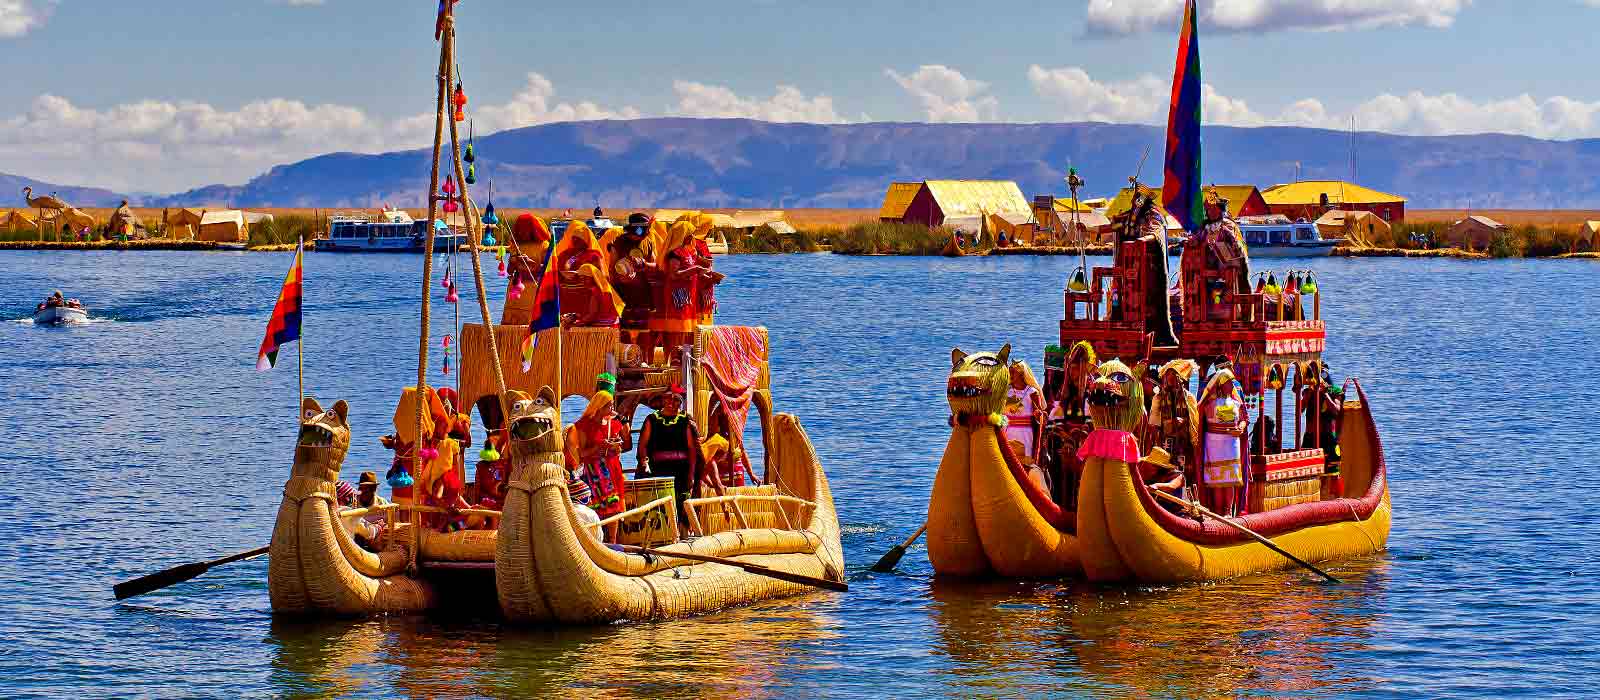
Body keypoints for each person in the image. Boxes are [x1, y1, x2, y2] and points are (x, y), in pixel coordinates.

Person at [566, 374, 629, 541]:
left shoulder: (614, 424)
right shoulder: (584, 425)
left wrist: (616, 447)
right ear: (600, 407)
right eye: (609, 406)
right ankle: (595, 540)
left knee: (614, 505)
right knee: (596, 507)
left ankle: (613, 542)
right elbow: (580, 454)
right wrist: (598, 448)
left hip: (612, 468)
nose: (612, 410)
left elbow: (624, 446)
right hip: (594, 471)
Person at [635, 384, 699, 526]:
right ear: (663, 400)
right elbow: (642, 445)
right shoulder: (652, 419)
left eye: (676, 400)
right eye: (668, 399)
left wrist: (691, 474)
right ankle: (661, 537)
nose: (671, 403)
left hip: (680, 471)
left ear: (680, 402)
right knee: (659, 507)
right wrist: (644, 463)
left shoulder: (685, 421)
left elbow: (692, 449)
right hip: (658, 471)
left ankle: (681, 536)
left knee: (681, 505)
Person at [1145, 359, 1201, 495]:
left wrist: (1184, 423)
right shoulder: (1159, 398)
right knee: (1165, 469)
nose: (1171, 378)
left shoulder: (1189, 398)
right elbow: (1153, 423)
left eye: (1174, 375)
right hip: (1165, 441)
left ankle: (1184, 501)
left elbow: (1195, 423)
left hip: (1183, 442)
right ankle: (1164, 498)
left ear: (1180, 379)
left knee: (1184, 471)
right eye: (1168, 375)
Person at [1200, 366, 1248, 516]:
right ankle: (1217, 510)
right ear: (1220, 384)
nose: (1231, 386)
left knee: (1229, 479)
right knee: (1216, 479)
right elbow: (1199, 414)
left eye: (1232, 383)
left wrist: (1240, 428)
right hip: (1214, 443)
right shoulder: (1208, 403)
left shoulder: (1236, 403)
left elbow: (1244, 419)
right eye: (1228, 382)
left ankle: (1227, 511)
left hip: (1231, 443)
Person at [653, 221, 702, 362]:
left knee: (685, 330)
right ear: (683, 235)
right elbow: (674, 274)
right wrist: (696, 269)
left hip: (687, 298)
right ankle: (672, 360)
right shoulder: (674, 254)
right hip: (677, 297)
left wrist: (704, 274)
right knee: (676, 329)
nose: (692, 236)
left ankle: (682, 360)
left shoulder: (686, 251)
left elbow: (690, 270)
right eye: (690, 234)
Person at [609, 226, 656, 354]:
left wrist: (645, 264)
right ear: (635, 229)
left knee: (644, 329)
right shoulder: (618, 243)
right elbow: (612, 270)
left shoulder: (647, 242)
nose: (647, 233)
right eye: (644, 230)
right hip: (623, 293)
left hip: (643, 292)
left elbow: (655, 265)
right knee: (624, 329)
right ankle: (626, 358)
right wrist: (616, 287)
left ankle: (643, 360)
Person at [700, 406, 755, 493]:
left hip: (739, 479)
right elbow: (708, 465)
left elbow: (743, 455)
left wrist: (751, 474)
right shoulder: (717, 440)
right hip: (724, 482)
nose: (729, 425)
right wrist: (714, 485)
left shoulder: (736, 438)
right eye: (725, 422)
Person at [1003, 360, 1045, 460]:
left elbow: (1039, 412)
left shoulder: (1032, 392)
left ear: (1021, 374)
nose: (1010, 374)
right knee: (1008, 460)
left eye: (1013, 372)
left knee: (1025, 460)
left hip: (1025, 433)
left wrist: (1038, 414)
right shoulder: (1006, 391)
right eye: (1009, 371)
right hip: (1008, 432)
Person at [689, 214, 726, 326]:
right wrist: (708, 279)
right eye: (709, 227)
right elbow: (692, 265)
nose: (710, 230)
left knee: (705, 324)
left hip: (707, 287)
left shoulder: (702, 242)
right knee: (698, 326)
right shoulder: (692, 243)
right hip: (699, 289)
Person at [1138, 447, 1187, 513]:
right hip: (1156, 511)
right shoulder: (1151, 476)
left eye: (1151, 464)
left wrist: (1157, 485)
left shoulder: (1177, 475)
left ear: (1159, 467)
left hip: (1175, 512)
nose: (1147, 466)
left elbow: (1171, 486)